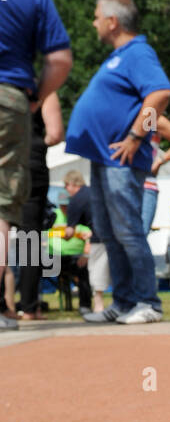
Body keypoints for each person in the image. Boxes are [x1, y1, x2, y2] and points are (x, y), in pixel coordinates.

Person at [65, 0, 170, 324]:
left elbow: (160, 93)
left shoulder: (137, 52)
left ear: (113, 21)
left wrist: (136, 136)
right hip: (104, 159)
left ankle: (148, 303)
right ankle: (124, 302)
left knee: (128, 231)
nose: (93, 22)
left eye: (97, 16)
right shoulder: (120, 56)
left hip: (121, 159)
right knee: (110, 233)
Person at [0, 0, 72, 330]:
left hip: (28, 153)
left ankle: (13, 302)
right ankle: (28, 302)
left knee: (22, 232)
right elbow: (56, 131)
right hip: (25, 150)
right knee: (25, 233)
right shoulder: (37, 87)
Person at [16, 95, 65, 321]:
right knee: (30, 239)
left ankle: (4, 306)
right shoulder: (43, 89)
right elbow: (55, 134)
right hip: (31, 162)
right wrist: (36, 142)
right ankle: (28, 307)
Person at [62, 169, 108, 316]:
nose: (65, 189)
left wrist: (60, 235)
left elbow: (69, 232)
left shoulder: (76, 199)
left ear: (71, 184)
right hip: (112, 234)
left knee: (95, 270)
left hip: (99, 238)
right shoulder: (93, 192)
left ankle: (98, 305)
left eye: (65, 185)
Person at [47, 185, 91, 310]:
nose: (65, 208)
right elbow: (42, 233)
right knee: (31, 265)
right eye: (62, 205)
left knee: (84, 266)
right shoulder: (53, 215)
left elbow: (90, 235)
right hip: (52, 258)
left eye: (67, 204)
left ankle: (85, 305)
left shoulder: (81, 213)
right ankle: (34, 305)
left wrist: (86, 253)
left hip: (76, 257)